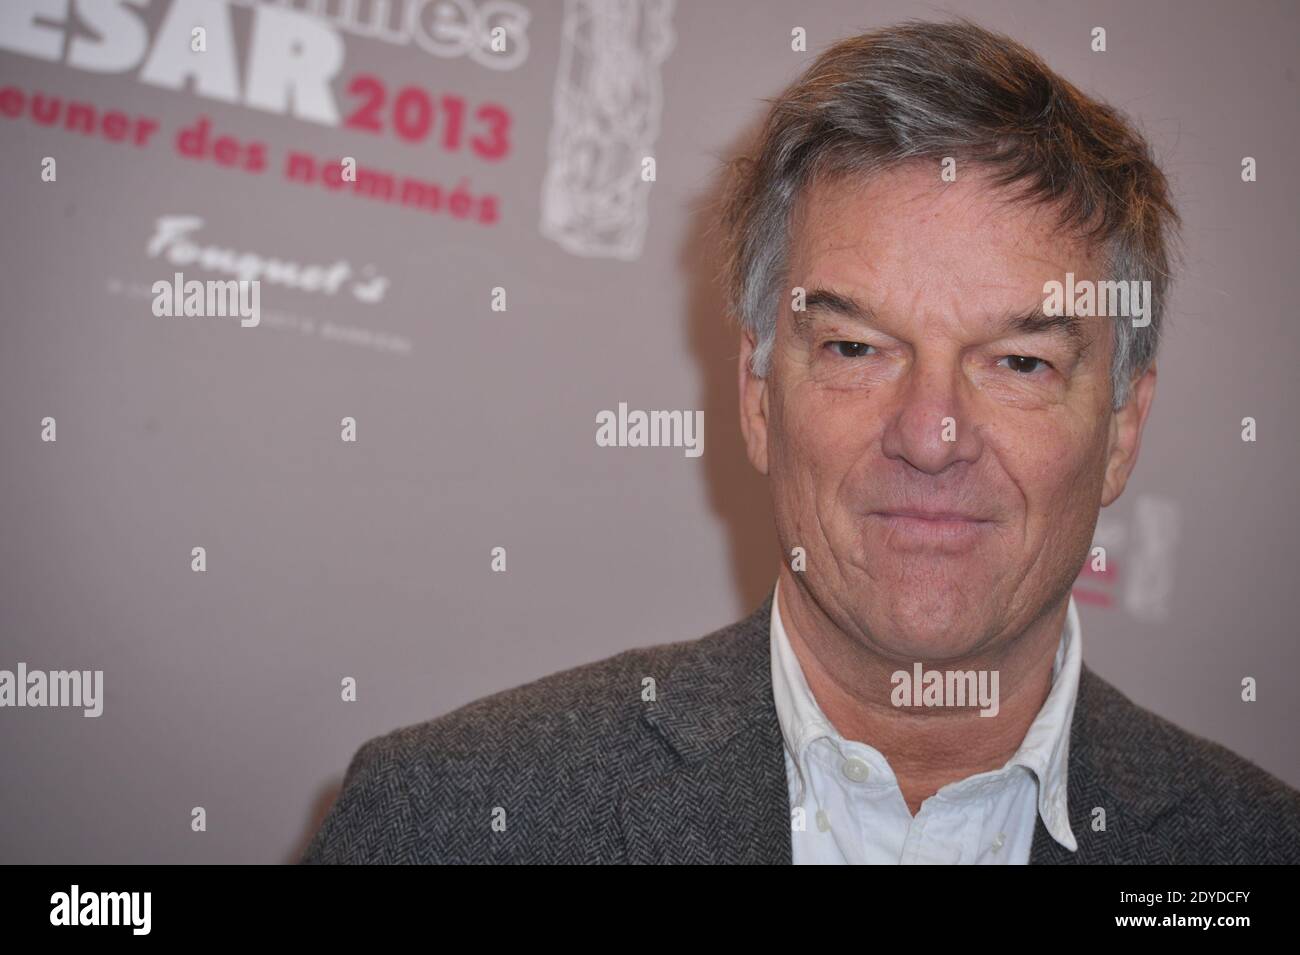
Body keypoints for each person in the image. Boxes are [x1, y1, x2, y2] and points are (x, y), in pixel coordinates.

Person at [301, 18, 1300, 864]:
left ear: (1121, 428)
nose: (931, 435)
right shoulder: (450, 821)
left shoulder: (1254, 844)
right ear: (756, 397)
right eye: (858, 347)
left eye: (1019, 362)